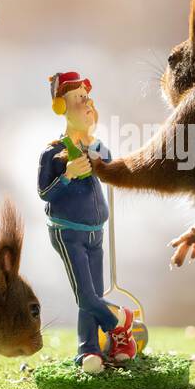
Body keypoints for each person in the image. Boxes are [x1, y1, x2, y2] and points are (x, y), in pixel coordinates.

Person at [37, 71, 136, 373]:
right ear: (62, 107)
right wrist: (67, 175)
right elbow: (44, 193)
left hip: (96, 233)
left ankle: (89, 350)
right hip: (69, 232)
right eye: (78, 99)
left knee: (92, 295)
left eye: (87, 98)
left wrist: (109, 166)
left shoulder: (96, 147)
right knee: (86, 294)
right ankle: (119, 324)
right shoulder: (53, 152)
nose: (87, 104)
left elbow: (112, 170)